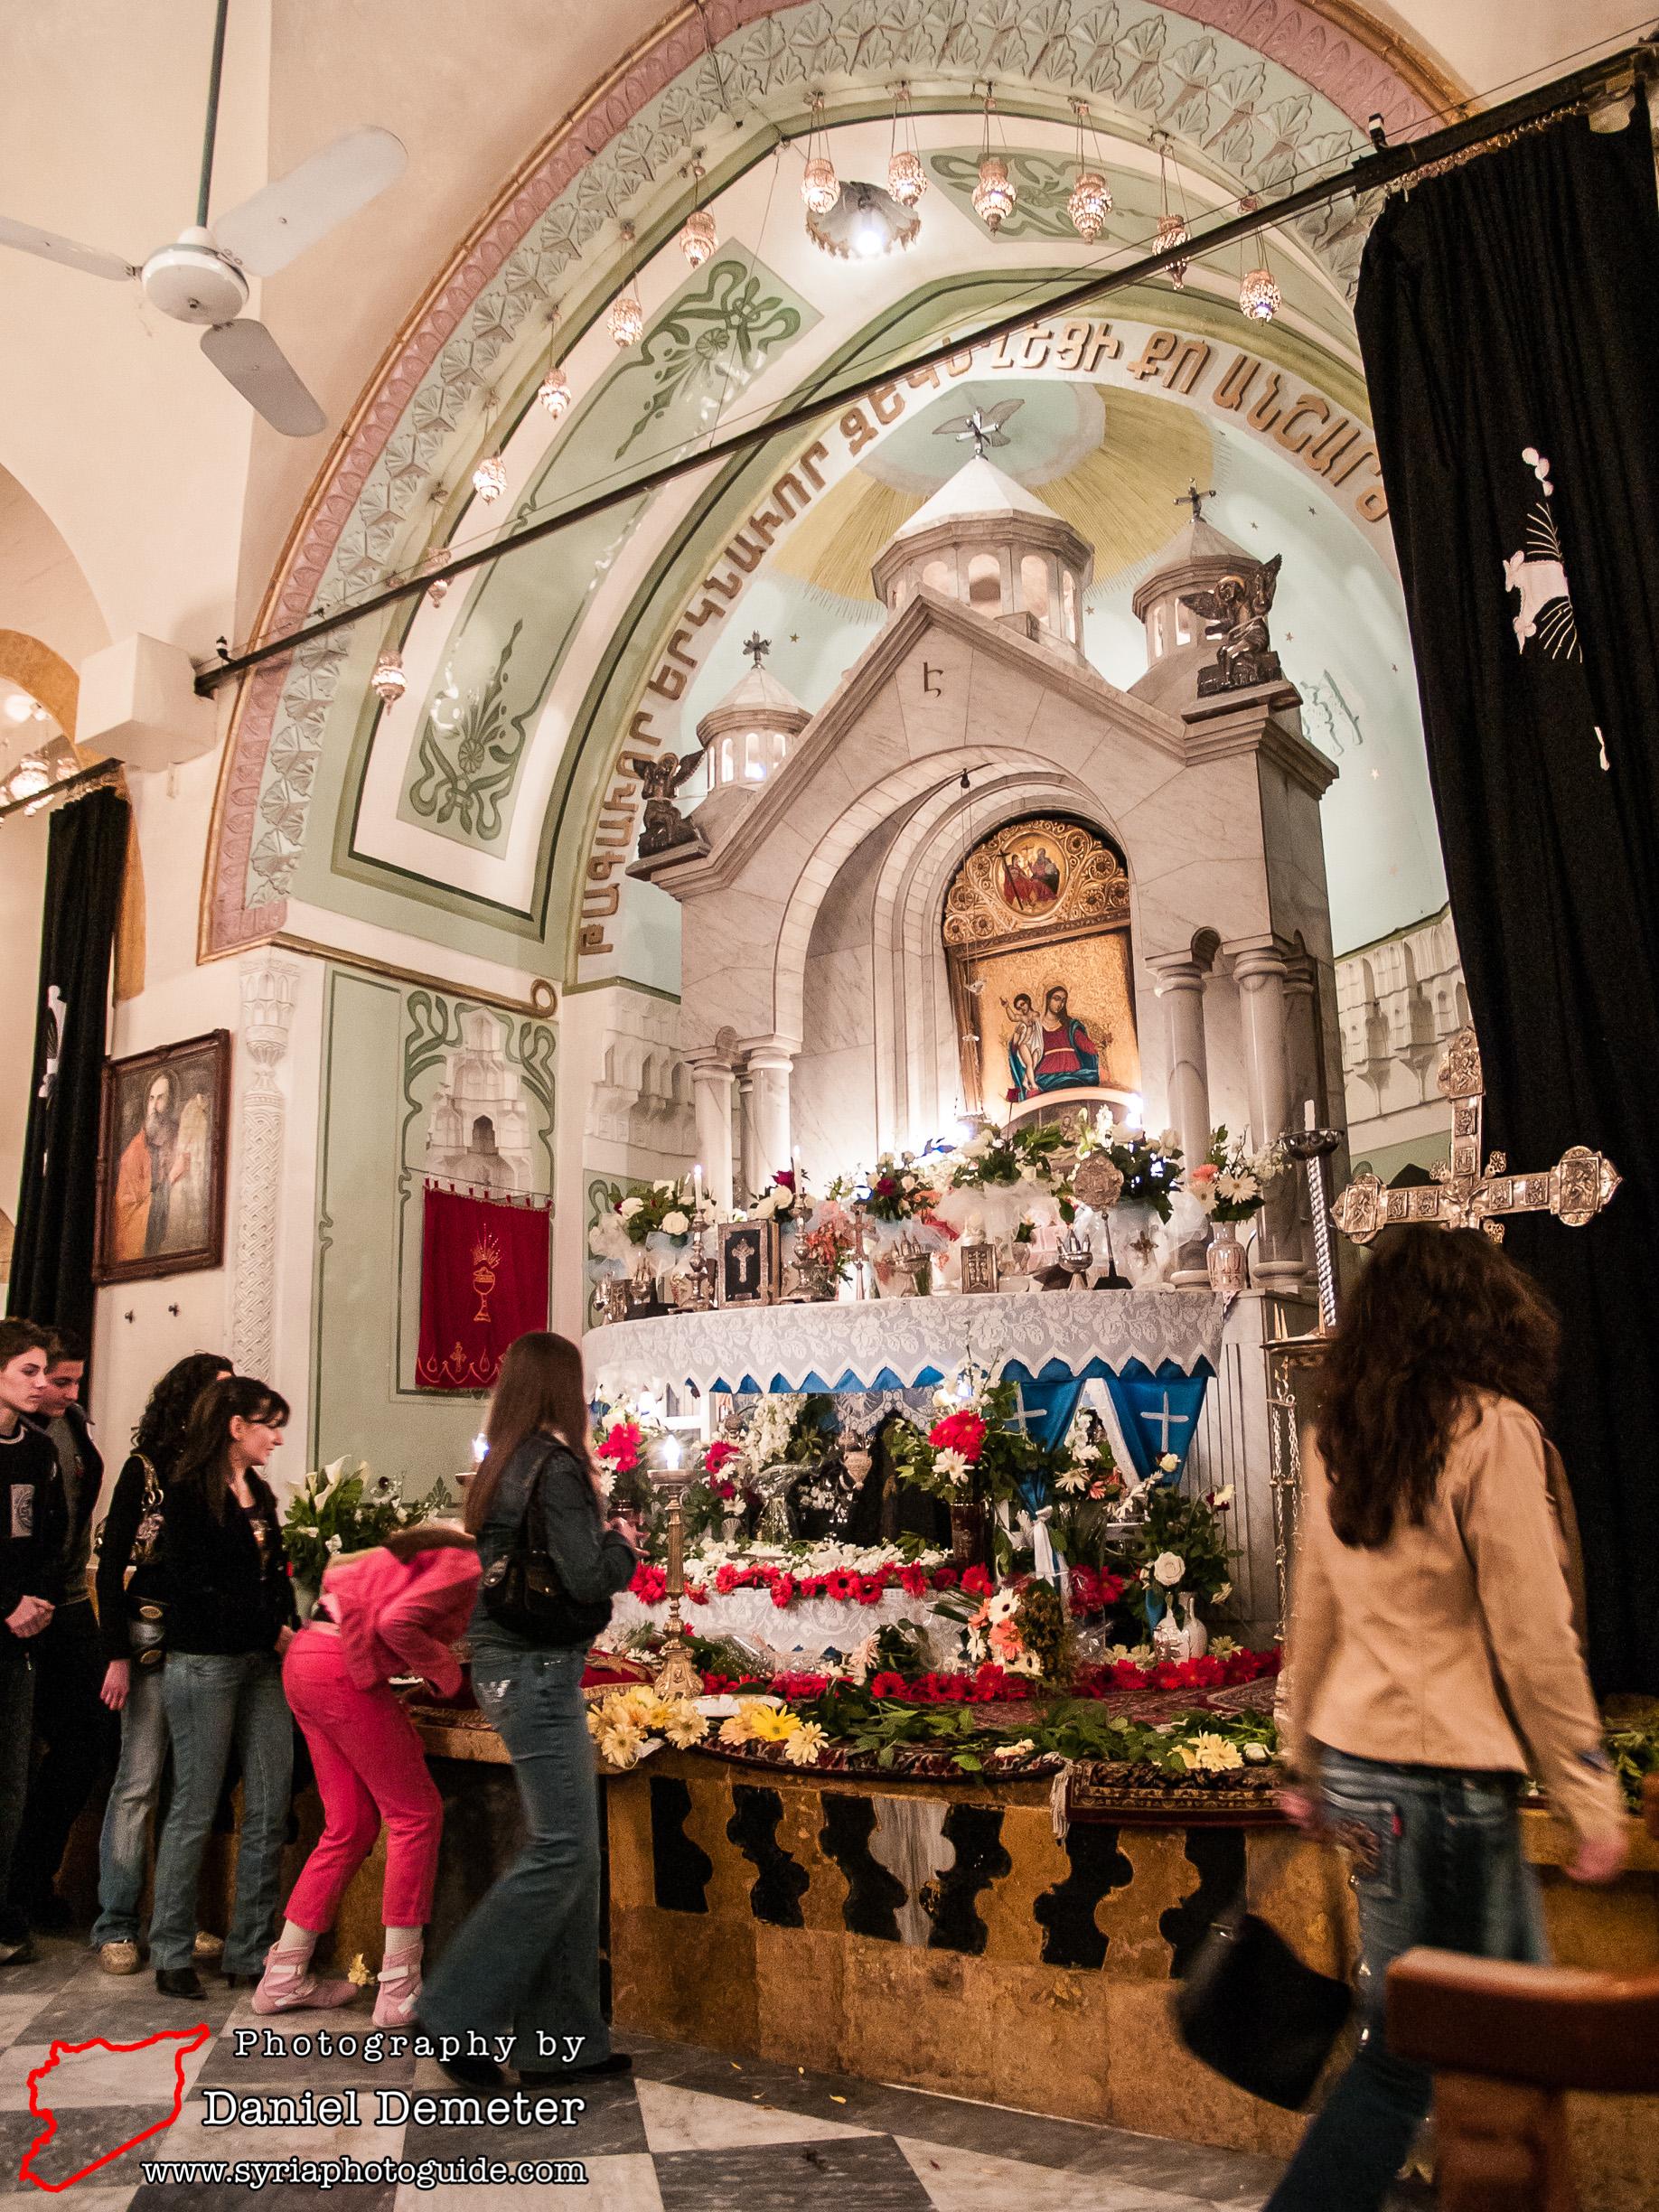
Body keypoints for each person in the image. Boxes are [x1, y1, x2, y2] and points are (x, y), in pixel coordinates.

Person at [1269, 1227, 1629, 2212]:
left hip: (1360, 1764)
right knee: (1429, 2048)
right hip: (1444, 1783)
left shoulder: (1341, 1434)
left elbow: (1316, 1613)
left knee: (1472, 2039)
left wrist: (1300, 1757)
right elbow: (1535, 1636)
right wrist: (1591, 1798)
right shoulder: (1491, 1430)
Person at [417, 1332, 639, 2089]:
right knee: (563, 1851)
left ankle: (567, 2042)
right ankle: (452, 2008)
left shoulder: (502, 1461)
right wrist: (625, 1547)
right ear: (563, 1388)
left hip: (513, 1665)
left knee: (575, 1852)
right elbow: (583, 1574)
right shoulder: (557, 1464)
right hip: (537, 1669)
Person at [256, 1522, 480, 2021]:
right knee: (417, 1816)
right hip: (338, 1670)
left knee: (350, 1826)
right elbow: (398, 1623)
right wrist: (447, 1675)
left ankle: (284, 1975)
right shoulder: (472, 1557)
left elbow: (339, 1572)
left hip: (307, 1658)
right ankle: (400, 1989)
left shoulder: (441, 1541)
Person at [147, 1376, 297, 1999]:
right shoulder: (185, 1493)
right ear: (236, 1426)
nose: (278, 1436)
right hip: (205, 1662)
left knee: (269, 1802)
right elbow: (196, 1590)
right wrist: (272, 1628)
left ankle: (249, 1949)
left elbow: (274, 1574)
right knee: (194, 1806)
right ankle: (171, 1951)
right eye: (269, 1424)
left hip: (262, 1664)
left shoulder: (258, 1491)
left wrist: (288, 1621)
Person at [91, 1351, 232, 1974]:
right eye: (222, 1393)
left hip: (205, 1641)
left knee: (191, 1788)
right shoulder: (143, 1469)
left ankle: (176, 1919)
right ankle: (116, 1923)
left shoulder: (222, 1470)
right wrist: (114, 1656)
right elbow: (113, 1567)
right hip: (148, 1635)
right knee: (140, 1781)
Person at [7, 1330, 112, 1936]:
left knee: (86, 1738)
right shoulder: (16, 1433)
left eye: (73, 1381)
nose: (64, 1393)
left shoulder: (65, 1423)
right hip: (20, 1604)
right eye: (53, 1379)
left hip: (67, 1600)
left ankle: (30, 1877)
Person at [0, 1320, 58, 1967]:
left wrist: (34, 1602)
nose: (42, 1383)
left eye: (46, 1372)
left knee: (12, 1783)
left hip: (21, 1634)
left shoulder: (38, 1449)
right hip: (4, 1617)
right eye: (29, 1372)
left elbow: (49, 1538)